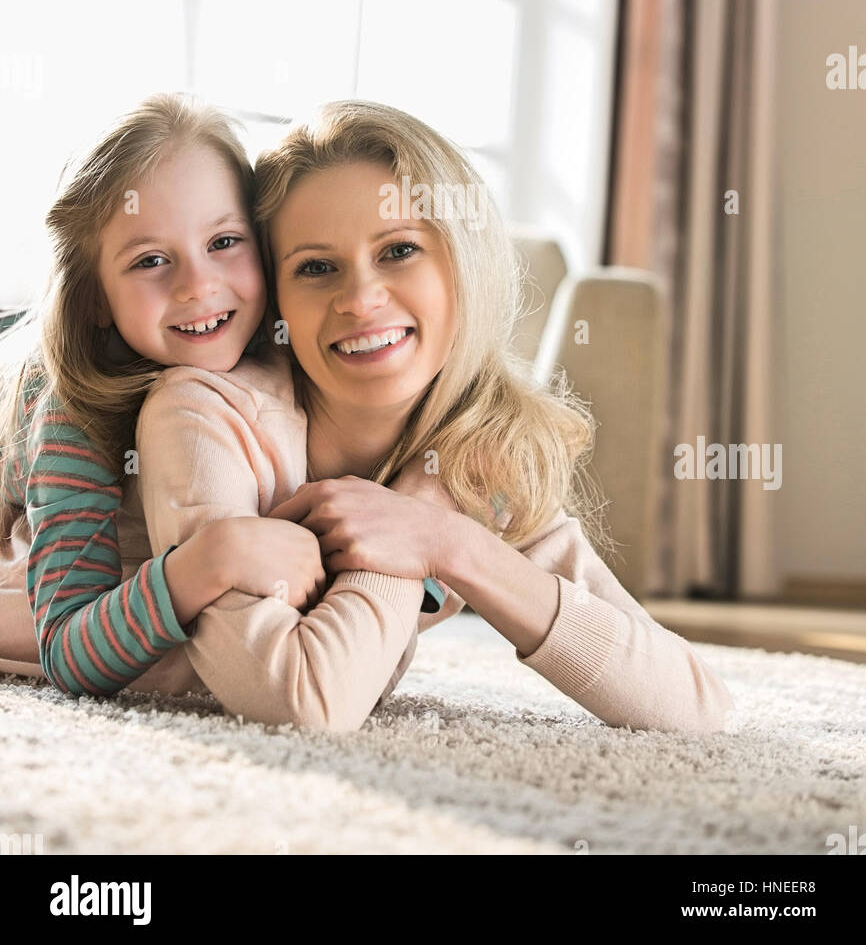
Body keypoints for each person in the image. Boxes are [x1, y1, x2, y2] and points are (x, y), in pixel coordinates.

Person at [134, 99, 737, 734]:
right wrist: (416, 518)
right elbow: (301, 703)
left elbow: (697, 707)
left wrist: (446, 538)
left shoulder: (474, 457)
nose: (361, 298)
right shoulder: (204, 411)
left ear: (461, 264)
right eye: (315, 267)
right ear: (276, 296)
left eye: (398, 251)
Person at [0, 92, 329, 694]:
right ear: (95, 298)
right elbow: (69, 652)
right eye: (151, 259)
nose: (198, 285)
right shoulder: (71, 418)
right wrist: (210, 559)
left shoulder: (289, 345)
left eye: (224, 242)